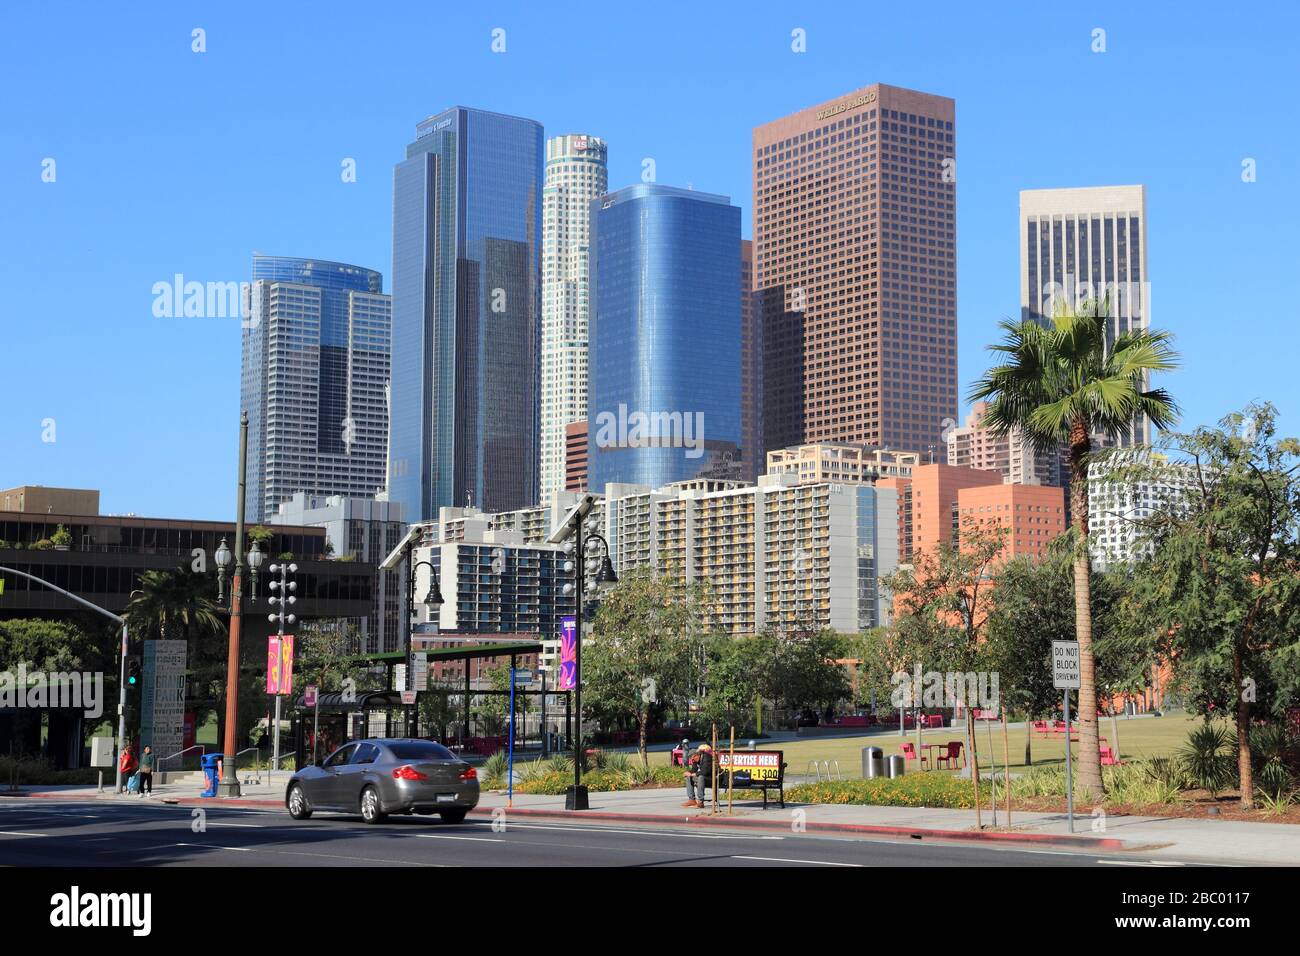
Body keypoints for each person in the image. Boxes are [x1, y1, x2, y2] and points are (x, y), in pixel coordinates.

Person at [682, 742, 713, 808]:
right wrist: (688, 773)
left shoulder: (707, 757)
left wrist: (693, 774)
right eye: (691, 759)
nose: (692, 760)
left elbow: (705, 772)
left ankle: (700, 801)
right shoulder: (695, 760)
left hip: (712, 778)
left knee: (700, 777)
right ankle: (692, 800)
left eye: (693, 758)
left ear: (697, 755)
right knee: (688, 777)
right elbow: (694, 769)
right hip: (704, 778)